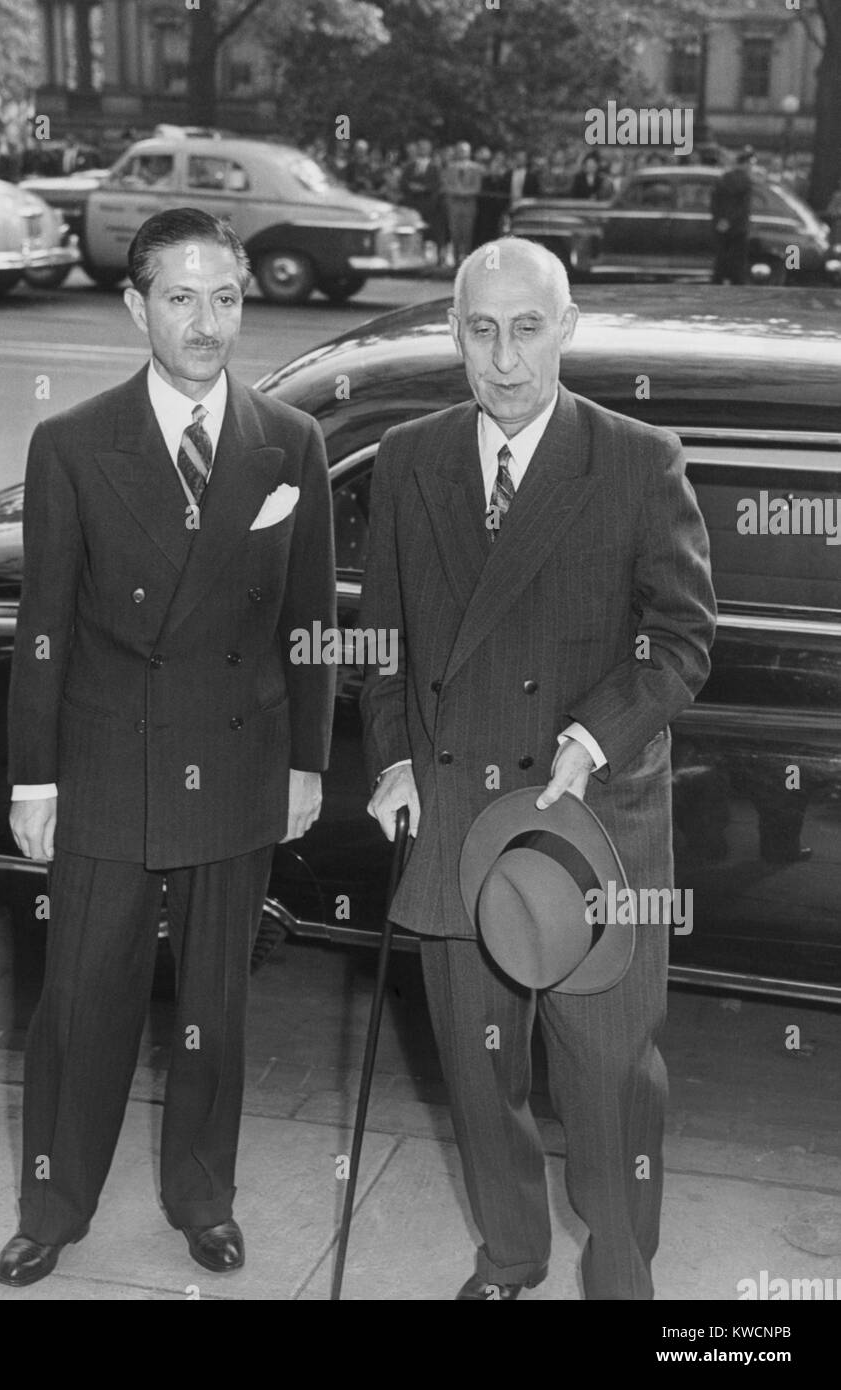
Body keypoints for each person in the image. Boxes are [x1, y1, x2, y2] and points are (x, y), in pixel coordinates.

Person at [360, 236, 716, 1300]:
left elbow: (681, 637)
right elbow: (382, 643)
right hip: (456, 827)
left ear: (563, 330)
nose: (503, 359)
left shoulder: (637, 458)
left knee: (609, 1085)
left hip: (589, 826)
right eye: (479, 331)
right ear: (453, 336)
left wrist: (596, 730)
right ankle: (509, 1259)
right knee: (477, 1076)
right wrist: (389, 763)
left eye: (525, 329)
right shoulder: (405, 459)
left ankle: (619, 1278)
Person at [0, 208, 336, 1288]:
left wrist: (305, 764)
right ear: (135, 304)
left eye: (225, 297)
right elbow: (43, 626)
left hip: (239, 760)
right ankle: (53, 1206)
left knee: (213, 1011)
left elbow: (310, 621)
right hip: (107, 762)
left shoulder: (290, 440)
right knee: (80, 1002)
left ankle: (202, 1197)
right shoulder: (72, 443)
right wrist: (33, 775)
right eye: (180, 297)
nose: (205, 322)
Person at [711, 146, 755, 285]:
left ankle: (717, 283)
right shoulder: (746, 182)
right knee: (738, 263)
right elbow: (742, 207)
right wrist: (730, 220)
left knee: (721, 259)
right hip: (738, 228)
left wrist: (721, 220)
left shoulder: (723, 179)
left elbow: (715, 203)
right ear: (745, 164)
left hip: (721, 227)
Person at [442, 140, 484, 266]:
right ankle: (455, 261)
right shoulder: (450, 167)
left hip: (468, 205)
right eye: (460, 150)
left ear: (469, 152)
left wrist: (462, 192)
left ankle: (466, 261)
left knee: (467, 234)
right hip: (454, 205)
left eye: (465, 150)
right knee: (455, 233)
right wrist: (458, 192)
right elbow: (446, 186)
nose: (462, 152)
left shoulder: (475, 168)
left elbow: (477, 188)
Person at [473, 149, 512, 247]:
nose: (496, 168)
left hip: (499, 214)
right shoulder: (485, 180)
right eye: (494, 166)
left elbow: (506, 198)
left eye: (498, 166)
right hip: (485, 214)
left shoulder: (505, 181)